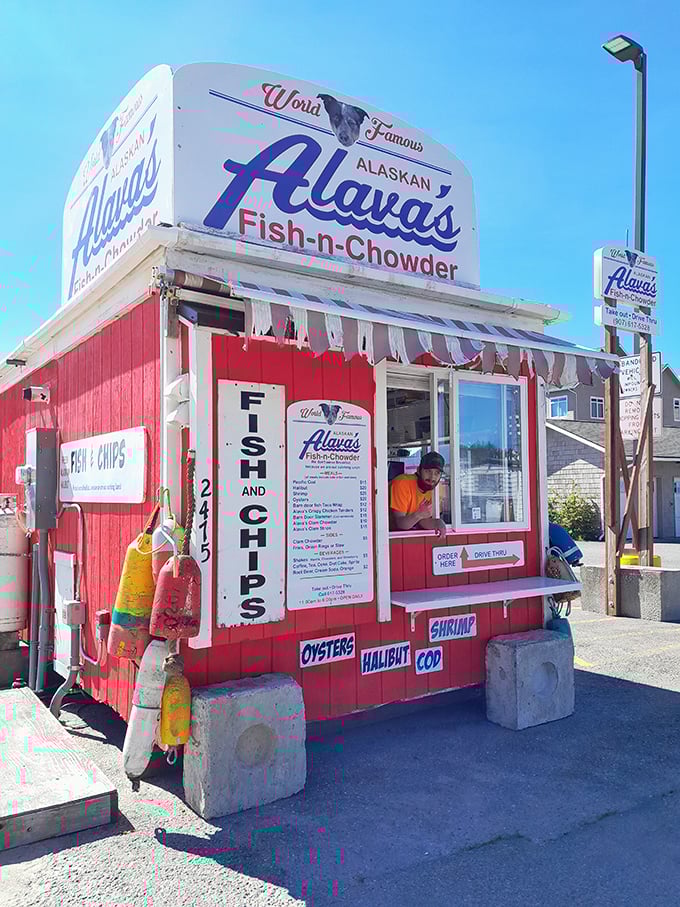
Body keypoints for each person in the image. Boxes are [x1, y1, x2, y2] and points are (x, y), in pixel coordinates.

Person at [389, 451, 447, 538]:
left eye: (437, 473)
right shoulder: (402, 483)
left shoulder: (438, 489)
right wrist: (418, 514)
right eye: (428, 471)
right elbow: (400, 524)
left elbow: (422, 521)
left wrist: (437, 523)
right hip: (388, 536)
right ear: (418, 470)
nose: (432, 477)